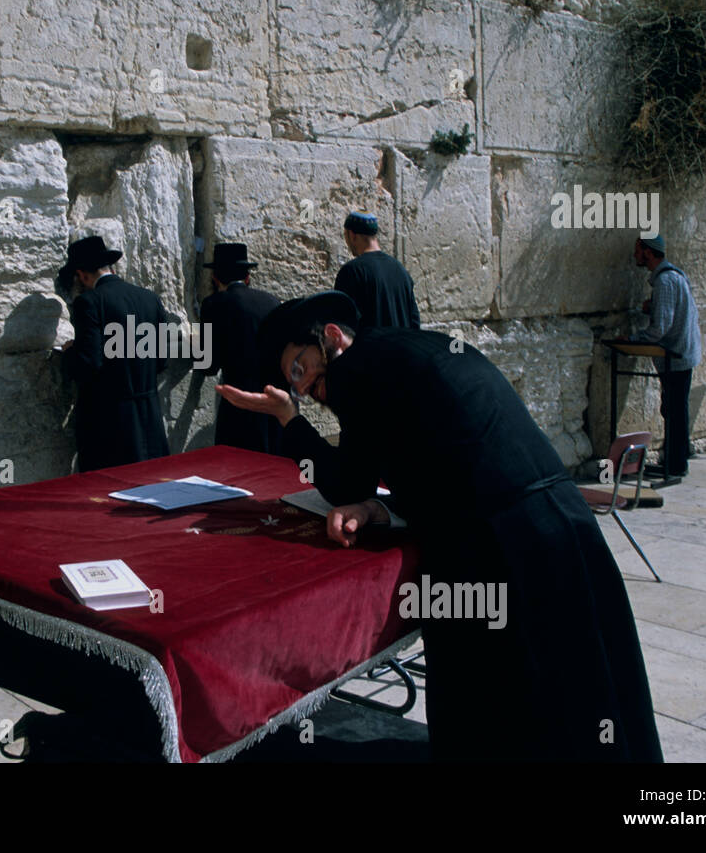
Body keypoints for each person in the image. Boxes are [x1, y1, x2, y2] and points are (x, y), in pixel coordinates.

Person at [215, 291, 663, 762]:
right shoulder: (410, 348)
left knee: (499, 715)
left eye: (301, 368)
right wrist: (375, 509)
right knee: (587, 696)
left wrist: (288, 419)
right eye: (293, 381)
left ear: (331, 337)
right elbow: (441, 460)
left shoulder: (354, 368)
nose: (304, 387)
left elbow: (345, 481)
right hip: (560, 521)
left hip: (497, 547)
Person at [58, 235, 170, 471]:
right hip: (149, 419)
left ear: (81, 275)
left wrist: (69, 353)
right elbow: (161, 361)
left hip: (111, 425)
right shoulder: (150, 298)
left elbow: (89, 362)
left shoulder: (89, 302)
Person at [624, 234, 701, 478]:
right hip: (681, 354)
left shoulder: (665, 281)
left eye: (638, 250)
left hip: (675, 356)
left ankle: (676, 465)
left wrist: (634, 339)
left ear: (648, 252)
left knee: (675, 410)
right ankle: (676, 459)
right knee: (674, 409)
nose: (635, 255)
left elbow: (660, 328)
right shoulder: (673, 277)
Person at [198, 243, 282, 454]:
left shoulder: (212, 305)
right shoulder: (272, 301)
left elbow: (208, 365)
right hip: (273, 400)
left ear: (215, 278)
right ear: (247, 277)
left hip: (239, 403)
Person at [333, 211, 420, 328]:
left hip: (371, 341)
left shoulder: (352, 271)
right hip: (402, 340)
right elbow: (414, 322)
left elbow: (343, 323)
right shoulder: (400, 270)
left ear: (352, 235)